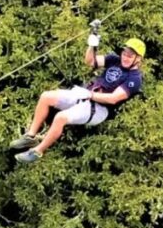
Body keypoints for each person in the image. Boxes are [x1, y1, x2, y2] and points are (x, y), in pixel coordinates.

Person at [10, 20, 145, 163]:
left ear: (138, 59)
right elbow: (90, 62)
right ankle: (30, 137)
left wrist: (90, 95)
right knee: (46, 97)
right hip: (85, 94)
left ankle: (37, 152)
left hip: (99, 109)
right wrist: (91, 45)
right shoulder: (114, 60)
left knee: (61, 117)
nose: (125, 57)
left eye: (130, 56)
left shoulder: (134, 79)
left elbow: (113, 98)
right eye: (125, 53)